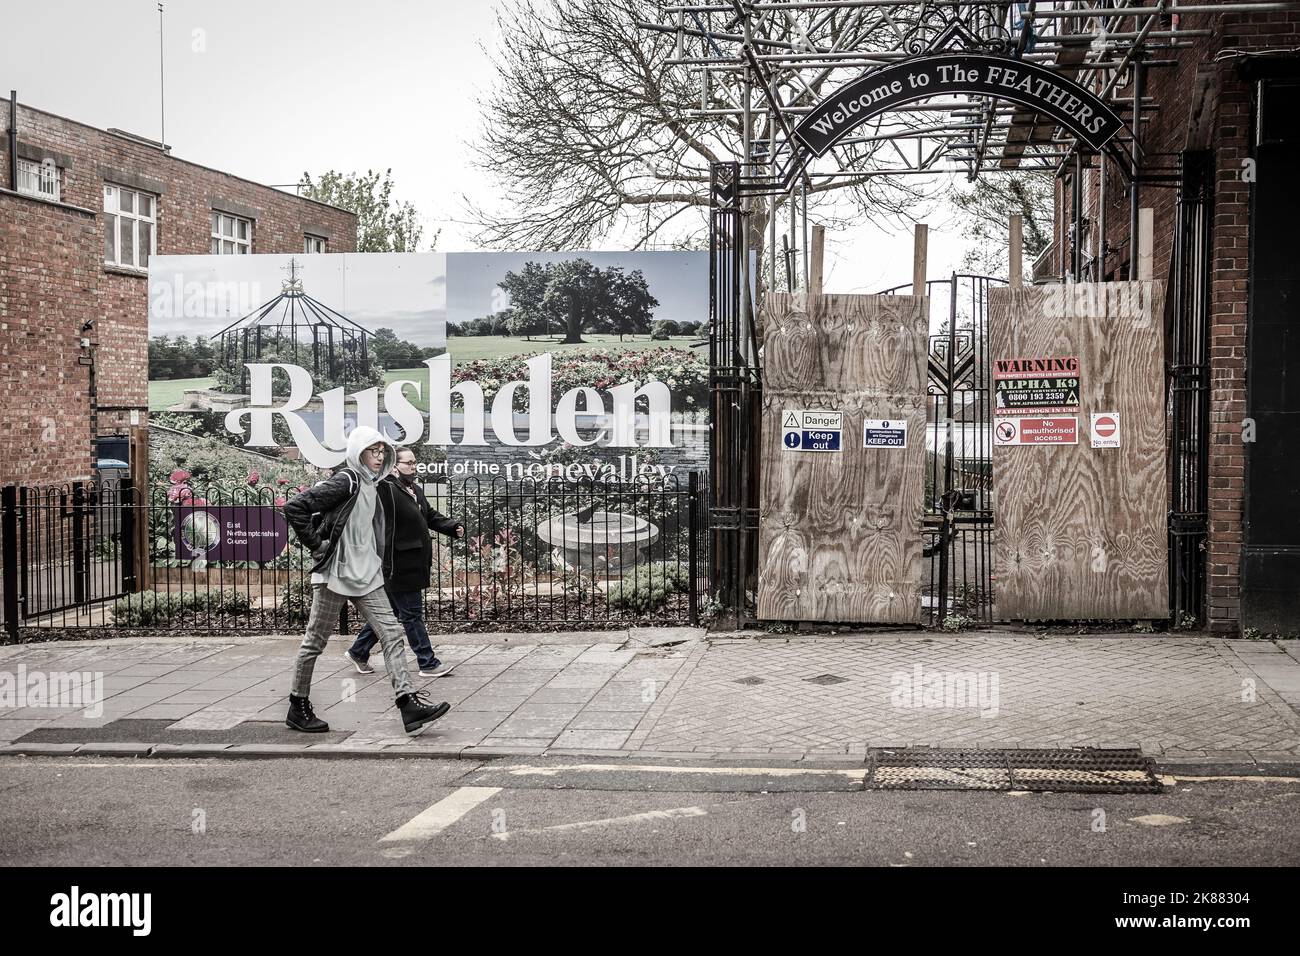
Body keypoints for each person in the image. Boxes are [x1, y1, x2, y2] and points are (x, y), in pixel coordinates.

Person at [282, 425, 451, 737]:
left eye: (382, 451)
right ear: (358, 452)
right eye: (372, 451)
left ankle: (407, 703)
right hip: (336, 573)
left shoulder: (377, 485)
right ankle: (298, 704)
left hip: (367, 573)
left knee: (392, 634)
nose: (378, 456)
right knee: (315, 642)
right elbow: (296, 508)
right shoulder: (346, 480)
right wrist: (317, 546)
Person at [344, 445, 464, 678]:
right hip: (398, 563)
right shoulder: (385, 489)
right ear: (395, 467)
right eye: (408, 463)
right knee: (412, 614)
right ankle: (427, 662)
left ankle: (359, 651)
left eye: (414, 462)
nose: (413, 466)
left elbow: (429, 516)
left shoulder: (414, 489)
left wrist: (452, 527)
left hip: (413, 562)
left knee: (392, 613)